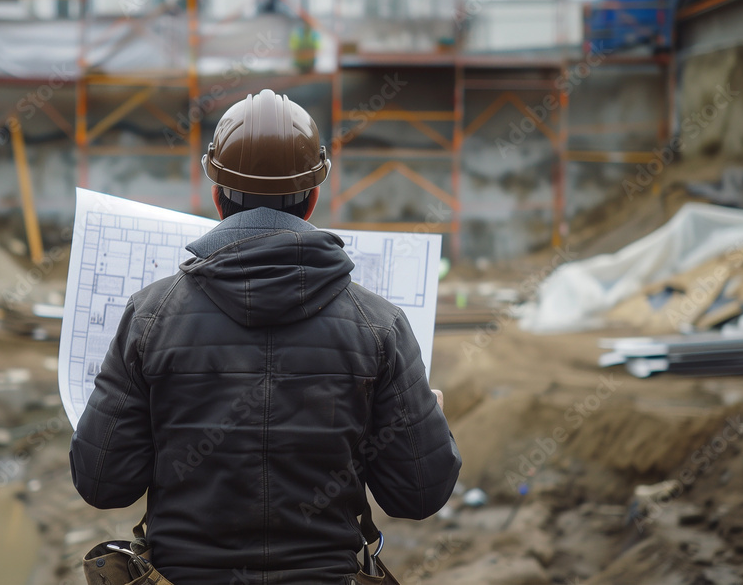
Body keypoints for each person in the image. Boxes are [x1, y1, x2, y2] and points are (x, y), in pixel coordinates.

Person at [70, 89, 461, 584]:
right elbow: (419, 494)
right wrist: (428, 419)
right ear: (312, 199)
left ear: (218, 197)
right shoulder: (379, 325)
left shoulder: (150, 317)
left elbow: (102, 484)